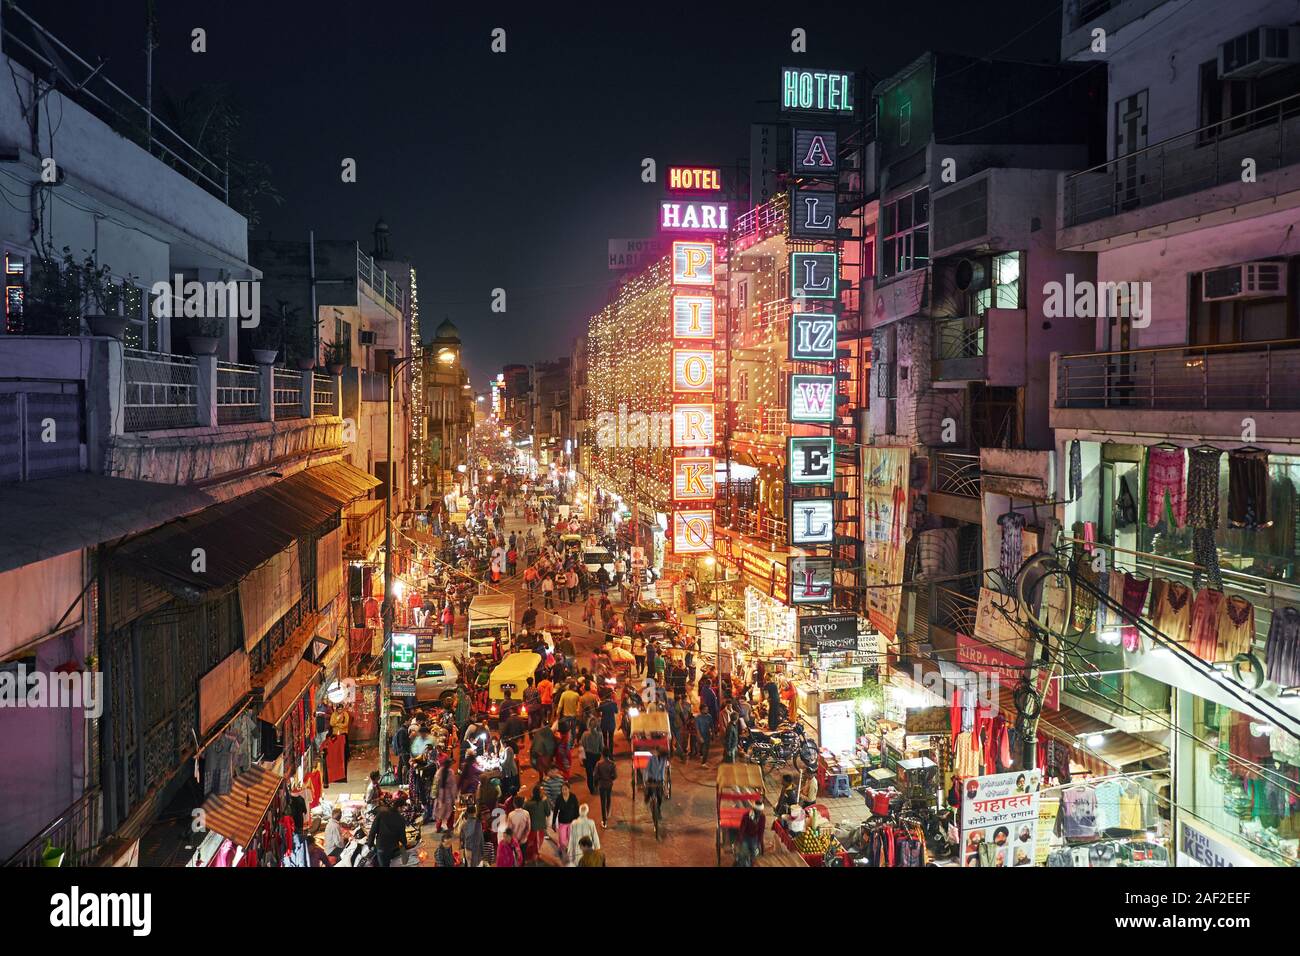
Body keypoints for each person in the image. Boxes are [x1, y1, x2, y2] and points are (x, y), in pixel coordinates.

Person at [368, 800, 408, 867]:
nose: (403, 810)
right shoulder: (401, 818)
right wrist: (405, 844)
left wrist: (370, 844)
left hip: (381, 846)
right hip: (393, 848)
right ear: (399, 808)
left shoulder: (381, 814)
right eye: (403, 808)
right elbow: (402, 834)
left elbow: (373, 830)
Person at [522, 786, 550, 863]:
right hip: (541, 827)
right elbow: (548, 813)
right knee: (538, 842)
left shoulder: (528, 803)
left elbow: (524, 812)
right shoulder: (543, 802)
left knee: (531, 842)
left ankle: (531, 856)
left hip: (531, 827)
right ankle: (535, 855)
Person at [553, 782, 580, 857]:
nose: (564, 791)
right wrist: (553, 822)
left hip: (572, 821)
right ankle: (561, 849)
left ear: (569, 789)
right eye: (562, 789)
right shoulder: (559, 798)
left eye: (565, 789)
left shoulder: (573, 797)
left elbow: (576, 809)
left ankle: (570, 849)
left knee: (571, 837)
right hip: (562, 821)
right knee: (562, 838)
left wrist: (577, 820)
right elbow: (555, 810)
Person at [432, 757, 459, 832]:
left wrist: (434, 795)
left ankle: (438, 827)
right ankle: (450, 827)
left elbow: (435, 784)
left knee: (439, 812)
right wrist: (454, 797)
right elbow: (453, 786)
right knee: (450, 812)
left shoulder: (438, 772)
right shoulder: (450, 772)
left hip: (440, 795)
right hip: (448, 796)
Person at [593, 749, 616, 828]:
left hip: (602, 784)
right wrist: (610, 778)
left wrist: (596, 782)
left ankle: (604, 820)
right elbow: (615, 776)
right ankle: (608, 811)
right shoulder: (612, 764)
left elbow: (595, 775)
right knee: (609, 797)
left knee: (603, 801)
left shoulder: (598, 764)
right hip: (609, 784)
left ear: (602, 754)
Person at [581, 720, 605, 791]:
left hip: (587, 755)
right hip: (596, 756)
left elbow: (582, 746)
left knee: (589, 773)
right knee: (596, 771)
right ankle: (596, 784)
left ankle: (591, 788)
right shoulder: (599, 735)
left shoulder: (585, 734)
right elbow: (601, 747)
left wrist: (582, 757)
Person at [459, 802, 485, 867]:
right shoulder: (478, 823)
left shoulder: (464, 824)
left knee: (469, 864)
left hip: (467, 849)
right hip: (476, 849)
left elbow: (462, 838)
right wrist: (482, 851)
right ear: (475, 812)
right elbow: (481, 838)